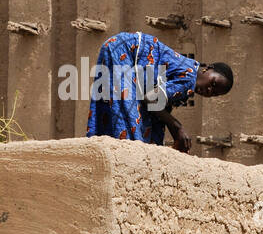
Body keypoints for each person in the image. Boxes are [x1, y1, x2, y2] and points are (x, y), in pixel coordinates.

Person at [85, 30, 233, 153]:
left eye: (214, 93)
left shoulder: (187, 71)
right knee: (132, 135)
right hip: (125, 53)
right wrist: (177, 126)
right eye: (213, 83)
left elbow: (154, 110)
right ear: (208, 69)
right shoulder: (189, 79)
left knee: (120, 113)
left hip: (117, 46)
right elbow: (151, 98)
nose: (208, 90)